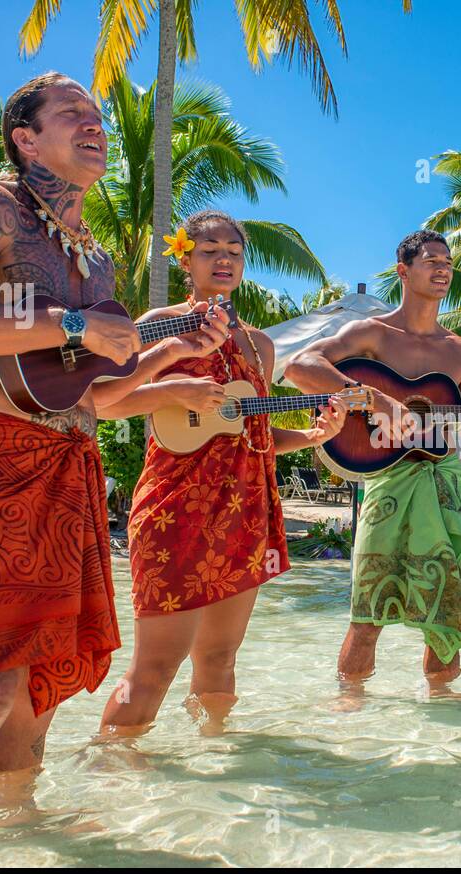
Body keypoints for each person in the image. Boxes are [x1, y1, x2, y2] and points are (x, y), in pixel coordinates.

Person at [0, 73, 228, 829]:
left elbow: (94, 398)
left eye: (97, 114)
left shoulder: (97, 263)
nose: (94, 123)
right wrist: (76, 326)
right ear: (26, 138)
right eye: (70, 113)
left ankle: (14, 827)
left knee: (41, 683)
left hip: (71, 467)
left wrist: (166, 345)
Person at [94, 210, 348, 733]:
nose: (225, 259)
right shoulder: (156, 326)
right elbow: (102, 402)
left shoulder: (260, 344)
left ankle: (214, 761)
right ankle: (113, 767)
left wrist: (313, 436)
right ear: (186, 258)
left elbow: (252, 433)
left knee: (221, 658)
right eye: (210, 250)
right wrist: (171, 390)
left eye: (234, 251)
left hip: (245, 512)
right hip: (175, 509)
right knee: (155, 667)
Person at [284, 229, 461, 690]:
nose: (442, 269)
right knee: (367, 606)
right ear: (403, 271)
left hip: (445, 485)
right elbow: (300, 367)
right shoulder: (371, 333)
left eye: (448, 262)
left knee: (447, 610)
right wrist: (375, 399)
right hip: (387, 483)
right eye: (431, 260)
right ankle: (350, 704)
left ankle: (443, 703)